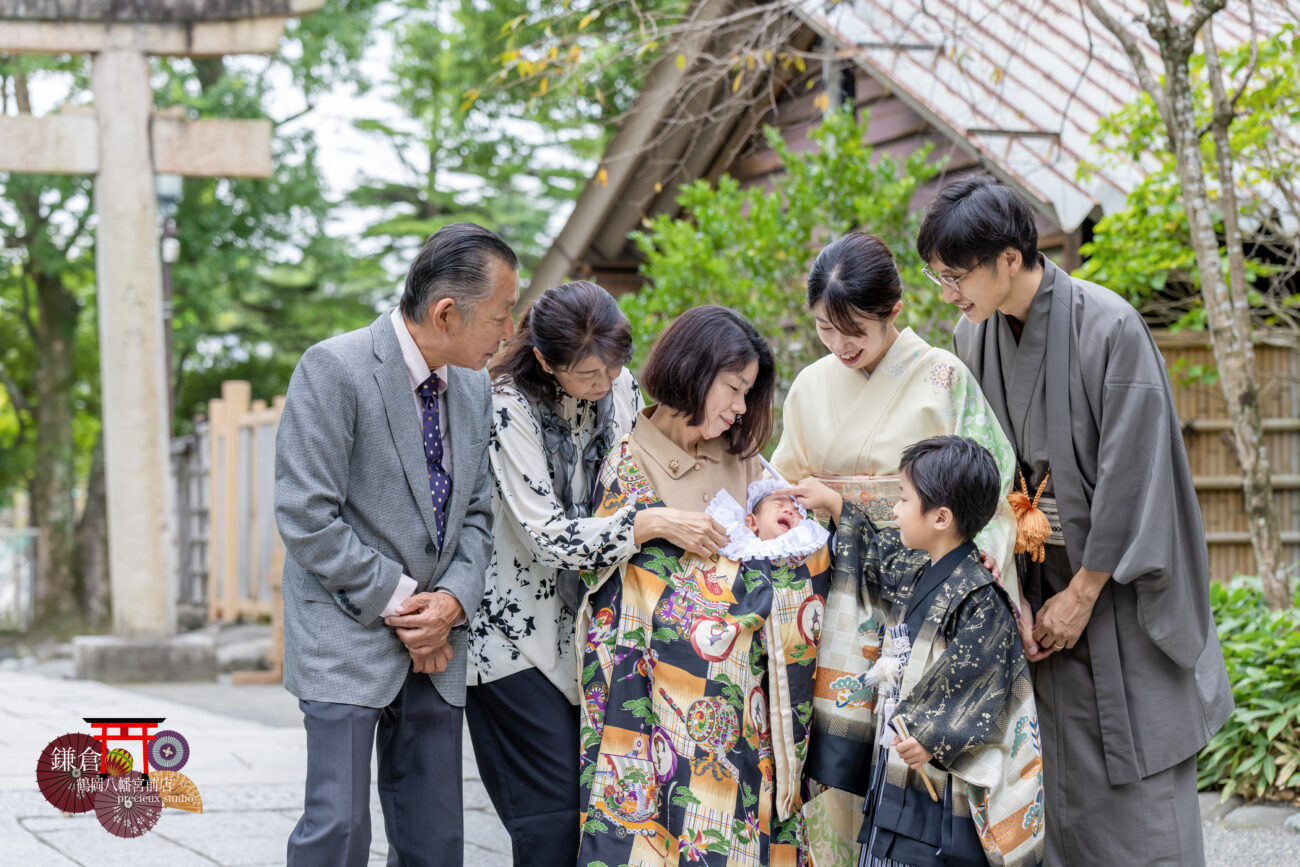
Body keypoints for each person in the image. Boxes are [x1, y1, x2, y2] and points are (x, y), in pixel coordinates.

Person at [918, 174, 1233, 865]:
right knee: (1048, 801)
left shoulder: (1109, 326)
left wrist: (1084, 591)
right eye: (938, 276)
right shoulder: (969, 341)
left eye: (955, 274)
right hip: (1036, 604)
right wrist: (1011, 598)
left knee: (1142, 810)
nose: (949, 292)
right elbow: (977, 476)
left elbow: (1137, 473)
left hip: (1114, 598)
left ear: (1007, 258)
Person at [770, 233, 1027, 860]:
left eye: (854, 328)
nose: (840, 345)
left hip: (924, 601)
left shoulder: (942, 377)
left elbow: (991, 493)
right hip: (833, 600)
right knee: (833, 772)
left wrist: (986, 559)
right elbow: (782, 484)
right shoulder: (809, 385)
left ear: (895, 310)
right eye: (826, 330)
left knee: (915, 762)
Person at [275, 223, 517, 867]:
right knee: (339, 828)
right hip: (344, 629)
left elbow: (477, 514)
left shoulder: (473, 386)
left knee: (434, 839)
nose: (508, 332)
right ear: (446, 313)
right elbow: (307, 517)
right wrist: (409, 603)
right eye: (500, 315)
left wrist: (451, 606)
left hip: (437, 641)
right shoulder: (333, 369)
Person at [466, 280, 726, 865]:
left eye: (613, 368)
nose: (604, 384)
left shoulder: (619, 387)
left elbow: (649, 471)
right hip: (511, 640)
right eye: (587, 375)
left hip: (591, 632)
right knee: (549, 821)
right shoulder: (506, 405)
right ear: (544, 360)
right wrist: (647, 524)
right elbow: (546, 533)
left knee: (595, 809)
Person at [575, 305, 828, 866]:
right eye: (734, 388)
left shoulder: (745, 462)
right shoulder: (629, 462)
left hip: (749, 704)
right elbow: (631, 595)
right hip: (658, 706)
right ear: (693, 370)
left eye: (747, 393)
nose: (741, 407)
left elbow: (793, 551)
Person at [785, 438, 1044, 867]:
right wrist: (834, 503)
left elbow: (983, 680)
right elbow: (873, 552)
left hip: (938, 782)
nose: (897, 510)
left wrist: (931, 734)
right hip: (896, 768)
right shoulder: (916, 566)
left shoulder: (980, 598)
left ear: (941, 517)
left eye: (905, 500)